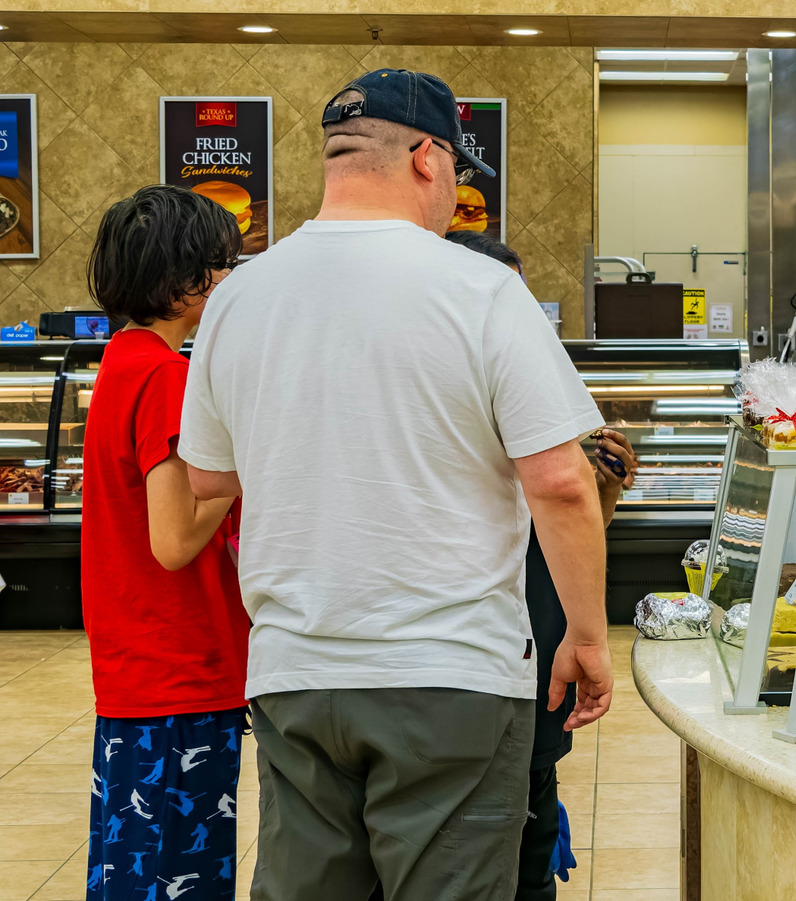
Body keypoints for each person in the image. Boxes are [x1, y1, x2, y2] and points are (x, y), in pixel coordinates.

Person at [178, 69, 613, 901]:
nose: (455, 192)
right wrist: (587, 636)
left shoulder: (237, 298)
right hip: (451, 676)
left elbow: (207, 474)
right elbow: (560, 482)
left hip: (295, 670)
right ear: (425, 158)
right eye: (456, 172)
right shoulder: (482, 288)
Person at [441, 229, 639, 901]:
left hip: (531, 664)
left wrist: (603, 486)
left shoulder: (517, 383)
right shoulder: (441, 400)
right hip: (477, 666)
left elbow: (559, 522)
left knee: (526, 826)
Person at [80, 184, 250, 901]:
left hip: (138, 668)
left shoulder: (122, 361)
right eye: (223, 266)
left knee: (131, 866)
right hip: (180, 670)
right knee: (180, 872)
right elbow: (175, 538)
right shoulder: (167, 376)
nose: (231, 281)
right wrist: (244, 467)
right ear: (186, 282)